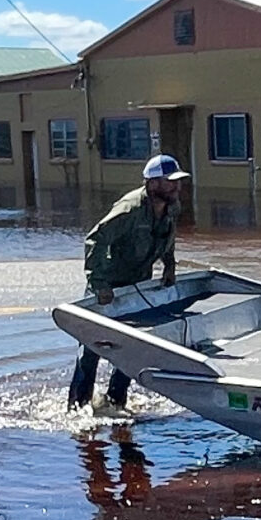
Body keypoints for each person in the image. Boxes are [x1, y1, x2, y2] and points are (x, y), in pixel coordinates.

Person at [68, 153, 186, 412]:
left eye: (178, 181)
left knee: (130, 345)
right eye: (170, 182)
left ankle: (115, 401)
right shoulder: (129, 209)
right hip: (108, 284)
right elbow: (95, 239)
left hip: (137, 284)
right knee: (92, 347)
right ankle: (78, 408)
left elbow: (169, 235)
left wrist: (169, 265)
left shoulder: (171, 206)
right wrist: (98, 282)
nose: (177, 187)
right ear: (152, 184)